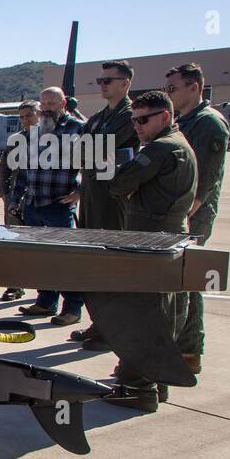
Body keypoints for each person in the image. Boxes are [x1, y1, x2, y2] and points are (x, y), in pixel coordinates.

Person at [104, 91, 197, 413]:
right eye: (133, 120)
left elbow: (118, 184)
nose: (137, 126)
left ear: (165, 117)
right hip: (168, 238)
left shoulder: (161, 149)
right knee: (164, 315)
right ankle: (156, 382)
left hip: (149, 241)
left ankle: (137, 387)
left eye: (143, 120)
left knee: (142, 316)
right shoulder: (180, 145)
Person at [166, 63, 229, 374]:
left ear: (194, 87)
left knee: (188, 282)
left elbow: (205, 182)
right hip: (178, 214)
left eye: (173, 89)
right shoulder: (184, 121)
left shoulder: (208, 123)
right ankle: (178, 346)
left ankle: (189, 350)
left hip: (192, 216)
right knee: (176, 283)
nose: (169, 94)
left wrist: (182, 217)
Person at [72, 60, 140, 352]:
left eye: (108, 80)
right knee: (93, 263)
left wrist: (88, 152)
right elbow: (78, 151)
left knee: (111, 263)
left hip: (113, 198)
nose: (102, 85)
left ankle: (112, 329)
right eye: (100, 80)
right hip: (91, 194)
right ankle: (99, 322)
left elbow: (106, 153)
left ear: (125, 83)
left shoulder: (130, 116)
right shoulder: (98, 118)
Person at [17, 87, 85, 325]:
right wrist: (19, 199)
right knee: (42, 259)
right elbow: (25, 169)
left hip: (59, 204)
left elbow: (99, 164)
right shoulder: (35, 131)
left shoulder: (77, 129)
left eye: (52, 104)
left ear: (64, 103)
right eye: (44, 104)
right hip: (35, 203)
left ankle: (73, 308)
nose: (47, 109)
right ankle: (46, 302)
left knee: (66, 260)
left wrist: (80, 192)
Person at [0, 101, 39, 300]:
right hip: (16, 197)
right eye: (22, 117)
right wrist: (5, 194)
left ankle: (46, 291)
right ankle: (14, 285)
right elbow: (4, 167)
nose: (25, 120)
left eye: (29, 115)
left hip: (40, 199)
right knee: (12, 243)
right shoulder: (17, 140)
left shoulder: (52, 138)